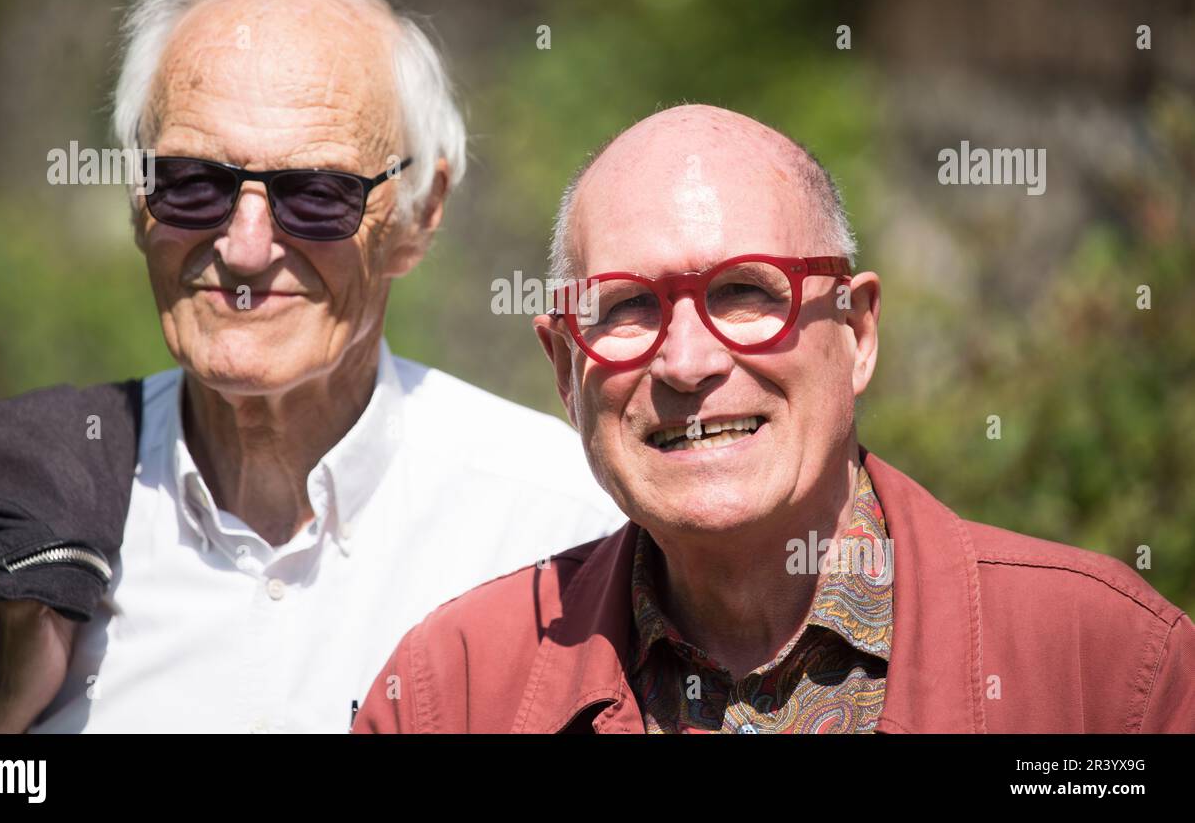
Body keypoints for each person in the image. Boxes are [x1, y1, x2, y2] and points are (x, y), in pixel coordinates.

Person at [0, 0, 622, 734]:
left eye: (317, 194)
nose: (244, 250)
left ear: (419, 213)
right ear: (139, 200)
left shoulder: (567, 526)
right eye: (192, 183)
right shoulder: (1, 523)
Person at [353, 104, 1195, 733]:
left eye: (746, 292)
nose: (687, 363)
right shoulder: (452, 696)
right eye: (627, 308)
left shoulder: (1105, 675)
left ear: (858, 333)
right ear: (566, 369)